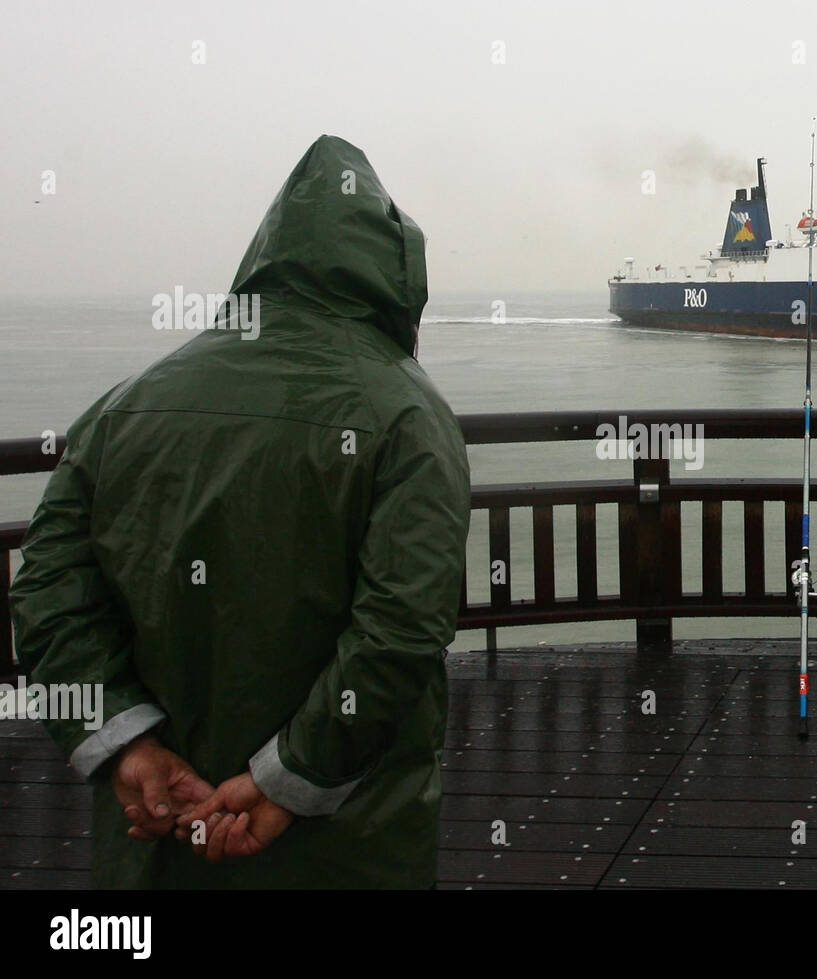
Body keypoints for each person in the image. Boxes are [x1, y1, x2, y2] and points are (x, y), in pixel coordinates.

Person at [10, 135, 471, 888]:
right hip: (349, 847)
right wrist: (288, 774)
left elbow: (46, 590)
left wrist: (129, 746)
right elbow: (402, 629)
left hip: (157, 840)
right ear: (396, 271)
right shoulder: (409, 416)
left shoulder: (123, 405)